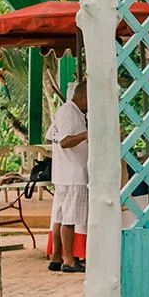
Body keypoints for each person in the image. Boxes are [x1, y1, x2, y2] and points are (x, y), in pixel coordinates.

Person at [48, 78, 89, 274]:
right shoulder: (70, 113)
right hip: (73, 173)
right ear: (85, 96)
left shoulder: (66, 111)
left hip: (63, 172)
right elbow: (64, 141)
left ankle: (56, 257)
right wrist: (86, 134)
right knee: (69, 219)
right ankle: (69, 260)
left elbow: (51, 136)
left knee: (60, 216)